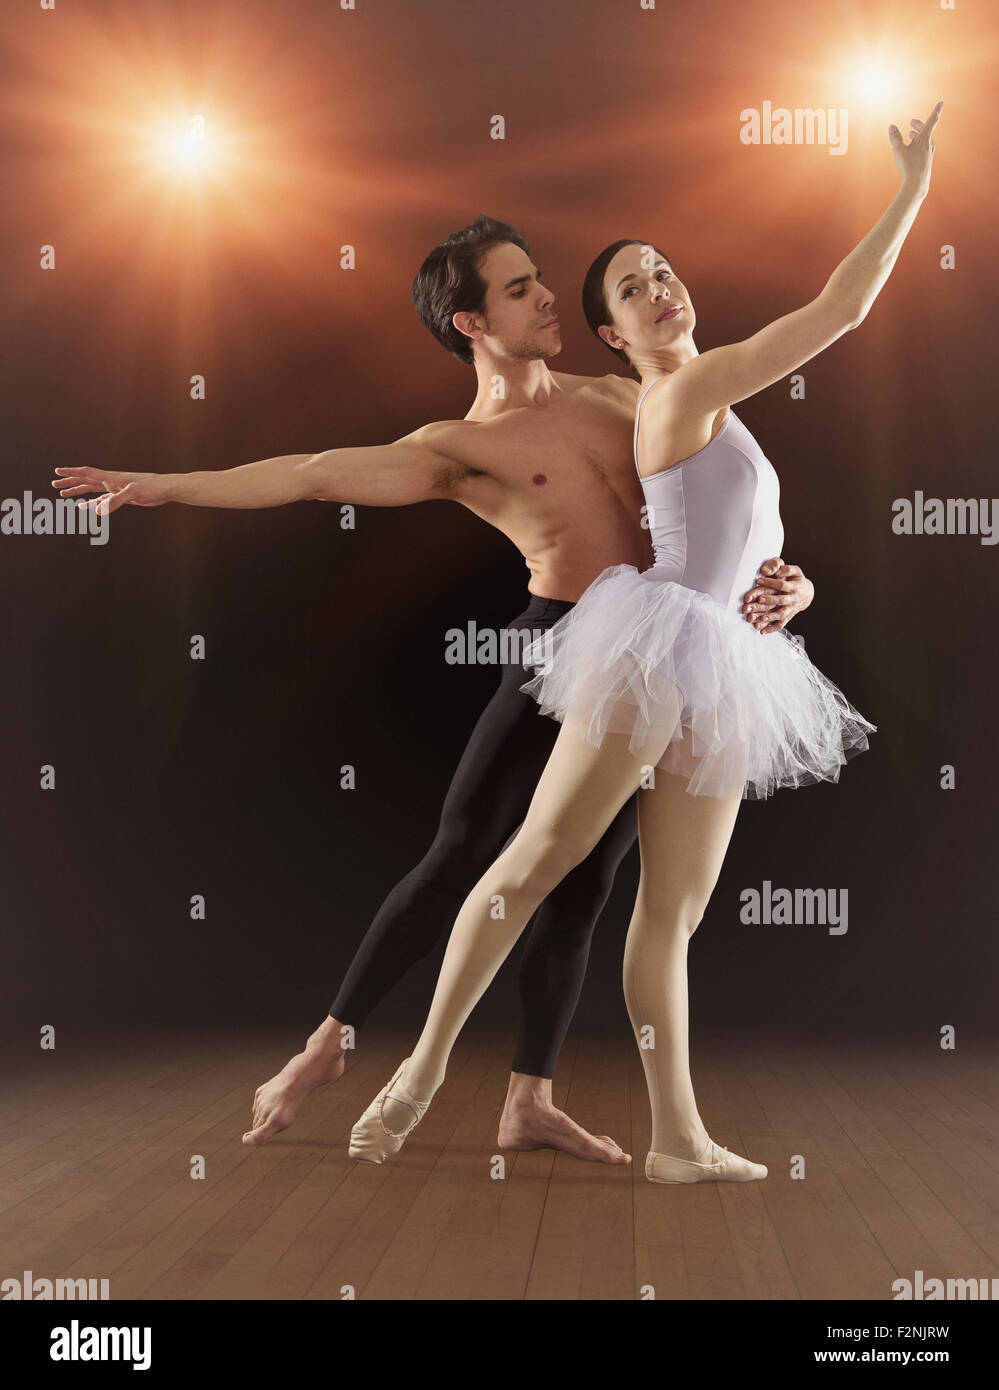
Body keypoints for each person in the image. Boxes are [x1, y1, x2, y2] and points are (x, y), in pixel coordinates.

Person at [51, 220, 815, 1164]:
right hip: (563, 650)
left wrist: (792, 587)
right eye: (519, 290)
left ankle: (528, 1101)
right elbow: (308, 474)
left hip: (670, 660)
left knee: (588, 890)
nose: (545, 299)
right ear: (471, 323)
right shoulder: (459, 444)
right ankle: (329, 1047)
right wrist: (163, 486)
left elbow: (735, 519)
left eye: (542, 282)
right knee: (467, 857)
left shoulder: (625, 391)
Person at [349, 103, 942, 1182]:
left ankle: (676, 1139)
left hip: (724, 661)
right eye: (632, 286)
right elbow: (843, 310)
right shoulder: (681, 389)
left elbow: (741, 539)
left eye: (663, 269)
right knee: (533, 860)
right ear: (616, 336)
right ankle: (420, 1072)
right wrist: (910, 192)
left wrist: (792, 587)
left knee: (670, 913)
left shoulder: (714, 400)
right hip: (656, 648)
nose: (659, 286)